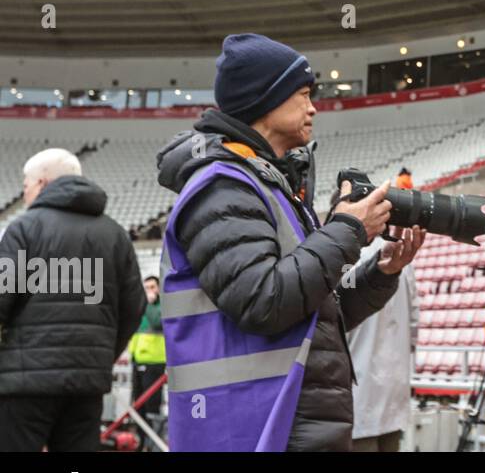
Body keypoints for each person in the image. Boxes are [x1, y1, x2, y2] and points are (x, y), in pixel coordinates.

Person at [156, 33, 425, 451]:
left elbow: (310, 313)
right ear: (266, 100)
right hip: (253, 425)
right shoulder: (223, 187)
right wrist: (348, 230)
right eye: (303, 94)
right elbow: (263, 301)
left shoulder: (266, 183)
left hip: (282, 419)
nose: (313, 107)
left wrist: (380, 272)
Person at [0, 149, 146, 451]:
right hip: (87, 382)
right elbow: (135, 308)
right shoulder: (115, 234)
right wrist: (100, 355)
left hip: (24, 383)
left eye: (25, 185)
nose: (24, 192)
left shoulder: (24, 229)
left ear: (41, 183)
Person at [347, 236, 418, 452]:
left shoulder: (347, 256)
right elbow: (414, 322)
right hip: (394, 386)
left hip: (358, 389)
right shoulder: (402, 257)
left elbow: (337, 320)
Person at [128, 275, 167, 430]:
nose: (149, 291)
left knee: (152, 405)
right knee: (138, 404)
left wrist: (148, 304)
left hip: (154, 363)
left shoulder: (160, 307)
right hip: (138, 361)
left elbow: (158, 323)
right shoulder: (142, 308)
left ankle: (152, 443)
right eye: (146, 288)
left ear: (159, 289)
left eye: (152, 287)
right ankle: (140, 441)